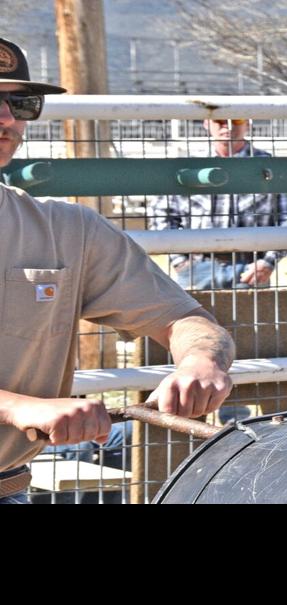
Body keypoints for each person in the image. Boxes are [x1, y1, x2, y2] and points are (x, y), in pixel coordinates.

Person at [1, 37, 237, 504]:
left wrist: (201, 362)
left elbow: (186, 321)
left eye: (21, 102)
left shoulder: (68, 230)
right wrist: (19, 407)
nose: (6, 118)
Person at [148, 117, 287, 290]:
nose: (228, 126)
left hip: (251, 268)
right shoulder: (188, 166)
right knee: (192, 318)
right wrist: (180, 262)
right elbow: (161, 212)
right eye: (220, 120)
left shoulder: (271, 167)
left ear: (248, 124)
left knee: (252, 317)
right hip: (197, 266)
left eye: (236, 120)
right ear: (207, 124)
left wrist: (267, 262)